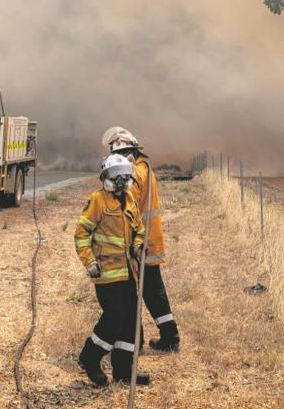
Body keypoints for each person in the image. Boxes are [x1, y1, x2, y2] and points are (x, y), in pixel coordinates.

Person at [74, 153, 151, 386]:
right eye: (115, 176)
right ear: (105, 176)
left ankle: (123, 372)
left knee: (130, 321)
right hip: (106, 273)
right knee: (115, 317)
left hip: (129, 272)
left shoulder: (129, 200)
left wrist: (138, 247)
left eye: (123, 176)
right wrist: (89, 262)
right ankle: (90, 357)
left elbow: (139, 230)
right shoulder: (97, 200)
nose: (119, 181)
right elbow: (81, 234)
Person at [102, 126, 180, 352]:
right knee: (153, 290)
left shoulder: (135, 174)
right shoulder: (145, 166)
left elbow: (127, 203)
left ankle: (136, 341)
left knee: (131, 294)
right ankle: (169, 337)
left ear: (126, 154)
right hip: (149, 239)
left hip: (138, 243)